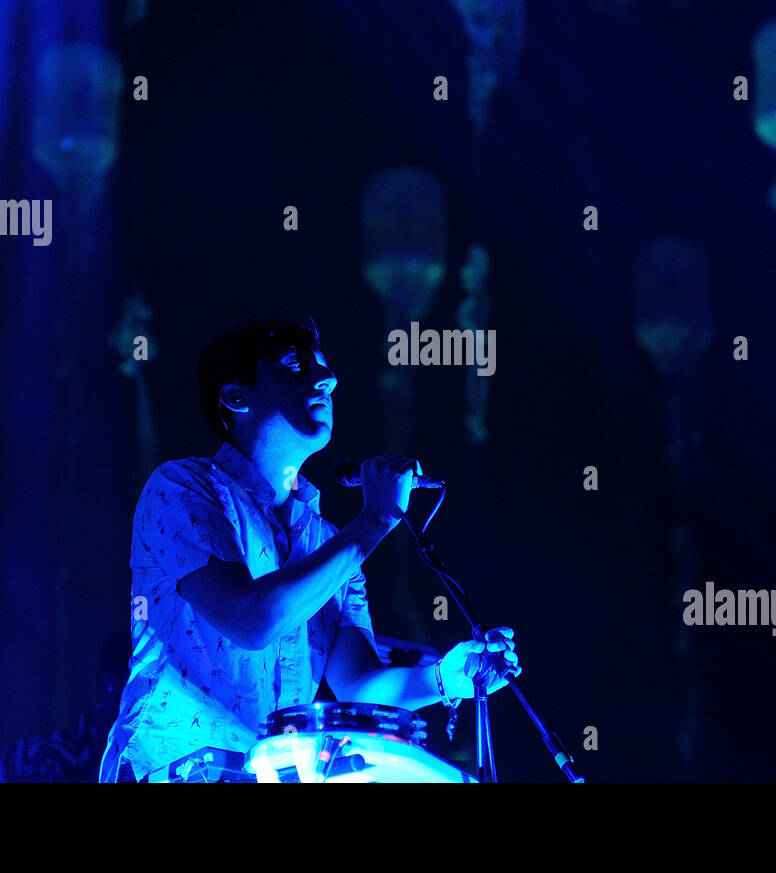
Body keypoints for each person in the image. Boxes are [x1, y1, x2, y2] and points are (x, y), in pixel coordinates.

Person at [98, 318, 520, 782]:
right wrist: (373, 522)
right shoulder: (181, 489)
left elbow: (358, 683)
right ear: (236, 397)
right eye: (296, 366)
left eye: (325, 369)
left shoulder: (328, 540)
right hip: (169, 769)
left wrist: (447, 678)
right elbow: (251, 619)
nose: (328, 379)